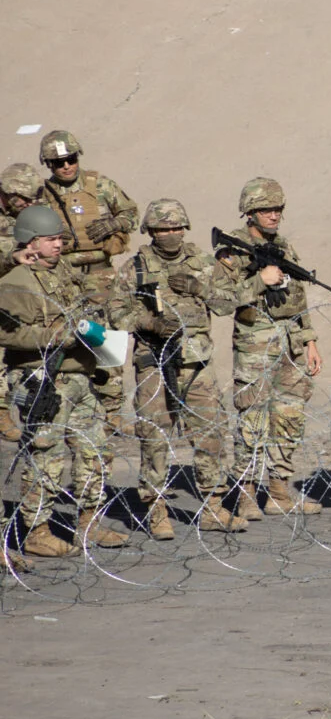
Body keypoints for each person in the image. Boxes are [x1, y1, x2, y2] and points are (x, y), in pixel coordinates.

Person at [109, 199, 247, 539]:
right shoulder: (135, 268)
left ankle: (213, 504)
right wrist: (149, 323)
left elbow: (231, 301)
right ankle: (156, 509)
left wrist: (200, 288)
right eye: (163, 230)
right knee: (154, 437)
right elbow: (115, 312)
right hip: (154, 362)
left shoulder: (202, 262)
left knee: (210, 434)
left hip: (196, 363)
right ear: (151, 232)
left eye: (176, 228)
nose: (171, 235)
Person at [0, 206, 129, 558]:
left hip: (80, 375)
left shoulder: (65, 273)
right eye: (50, 239)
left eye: (59, 238)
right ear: (30, 242)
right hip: (44, 379)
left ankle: (89, 520)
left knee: (95, 450)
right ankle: (37, 530)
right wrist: (53, 336)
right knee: (47, 455)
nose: (58, 245)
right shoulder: (15, 284)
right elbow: (9, 334)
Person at [217, 178, 323, 519]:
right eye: (266, 210)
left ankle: (279, 490)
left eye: (278, 209)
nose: (274, 216)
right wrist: (257, 282)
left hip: (290, 346)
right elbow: (218, 301)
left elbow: (298, 298)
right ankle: (246, 494)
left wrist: (309, 340)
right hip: (255, 346)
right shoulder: (231, 252)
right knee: (252, 421)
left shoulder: (284, 248)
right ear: (250, 213)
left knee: (289, 418)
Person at [36, 130, 139, 435]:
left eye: (70, 159)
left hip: (100, 273)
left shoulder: (101, 185)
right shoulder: (42, 196)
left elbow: (131, 212)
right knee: (64, 337)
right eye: (58, 162)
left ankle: (112, 409)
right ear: (49, 165)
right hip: (61, 275)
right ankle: (68, 404)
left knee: (104, 337)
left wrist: (114, 222)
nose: (66, 166)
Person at [0, 163, 46, 443]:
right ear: (7, 193)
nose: (30, 204)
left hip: (17, 292)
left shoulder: (28, 214)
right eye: (25, 199)